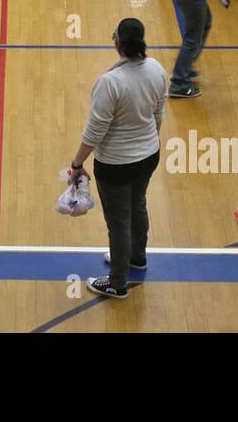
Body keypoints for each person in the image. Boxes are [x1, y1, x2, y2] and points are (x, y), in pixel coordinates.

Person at [67, 18, 167, 300]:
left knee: (119, 223)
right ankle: (137, 257)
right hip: (149, 155)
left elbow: (94, 131)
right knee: (138, 206)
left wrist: (77, 164)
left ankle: (117, 282)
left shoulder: (110, 83)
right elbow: (158, 114)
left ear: (118, 43)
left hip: (115, 166)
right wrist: (144, 144)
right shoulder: (157, 69)